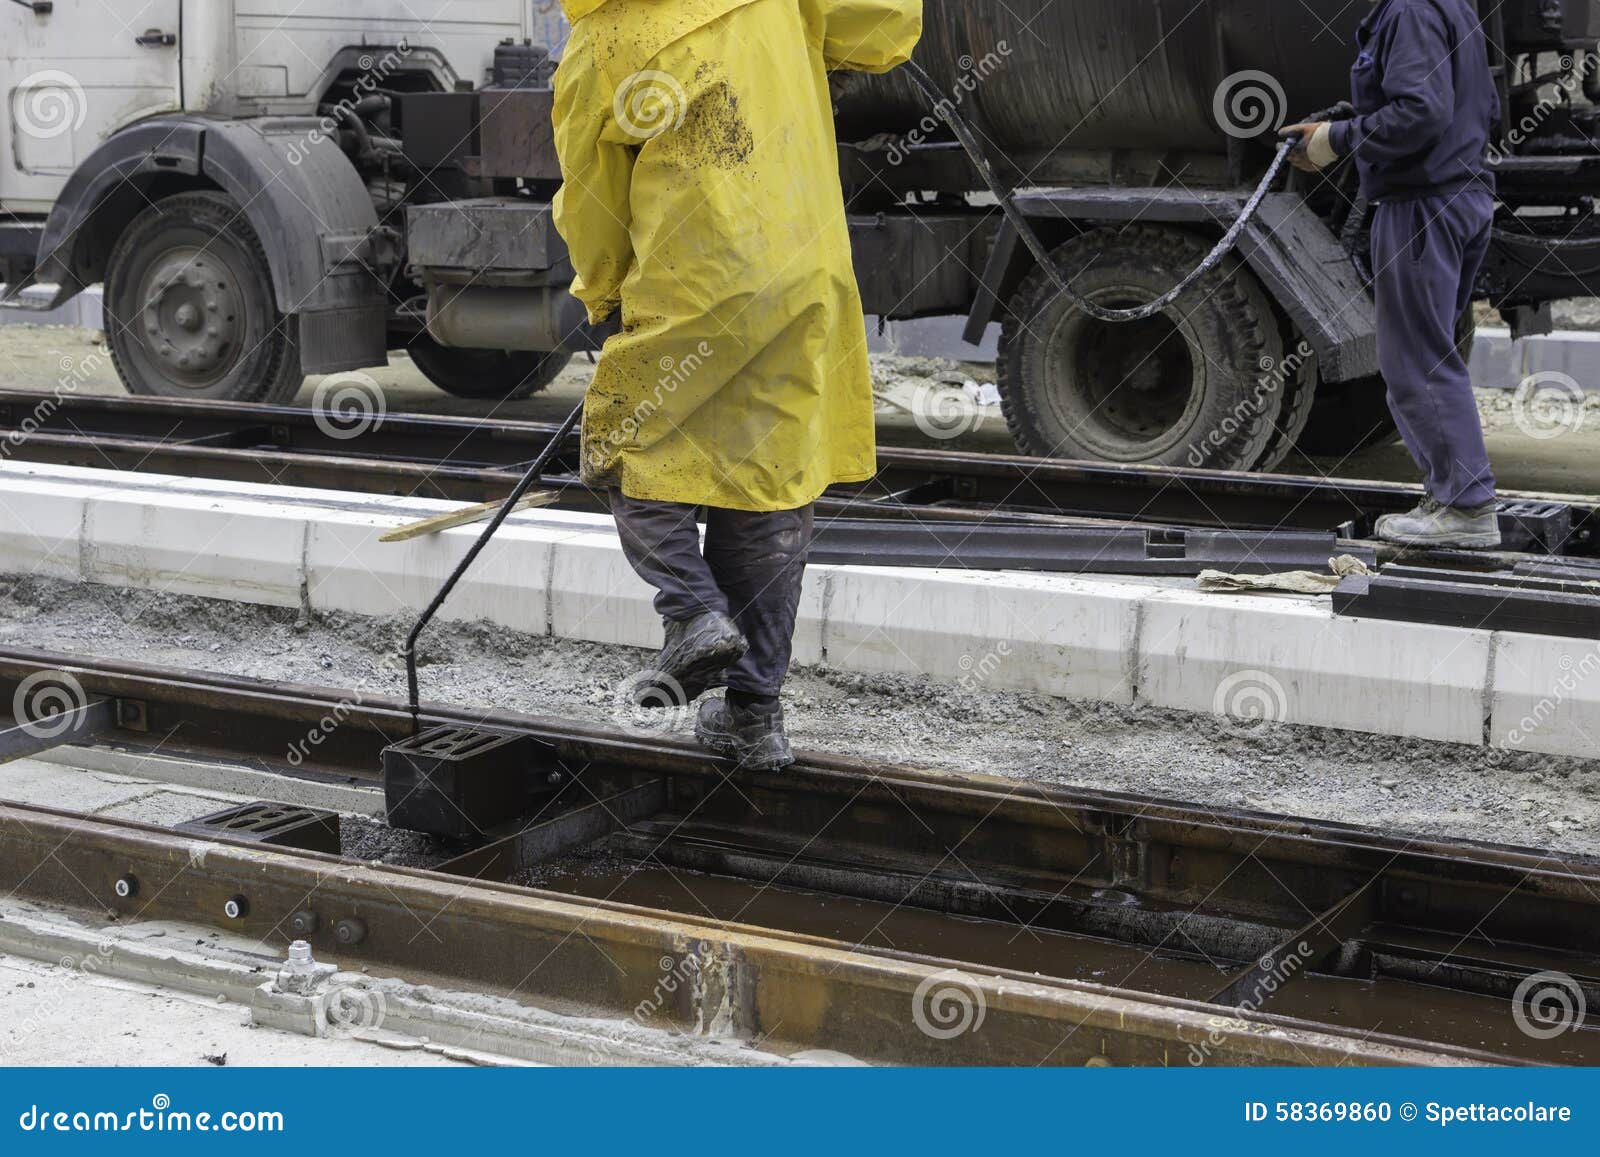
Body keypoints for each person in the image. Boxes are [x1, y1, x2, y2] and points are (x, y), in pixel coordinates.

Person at [551, 0, 923, 769]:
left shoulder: (601, 43)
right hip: (804, 275)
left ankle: (690, 612)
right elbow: (885, 25)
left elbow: (592, 202)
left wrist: (603, 293)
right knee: (768, 485)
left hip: (698, 281)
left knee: (628, 442)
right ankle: (754, 713)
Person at [1285, 0, 1501, 548]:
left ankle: (1465, 508)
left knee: (1416, 360)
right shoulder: (1451, 6)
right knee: (1432, 354)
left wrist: (1336, 140)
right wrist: (1341, 131)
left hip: (1421, 205)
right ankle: (1452, 496)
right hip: (1459, 194)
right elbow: (1473, 105)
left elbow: (1420, 112)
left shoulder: (1409, 9)